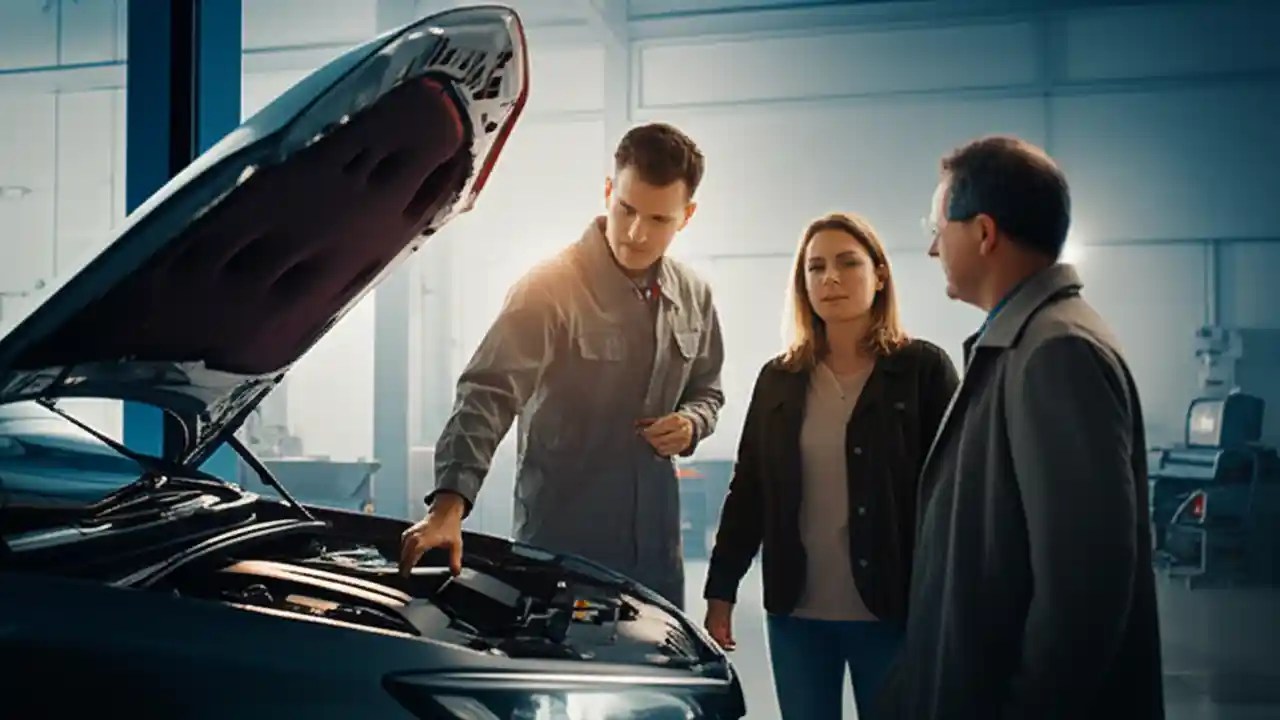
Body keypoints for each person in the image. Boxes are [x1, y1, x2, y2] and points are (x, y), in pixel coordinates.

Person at [880, 135, 1165, 719]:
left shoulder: (1056, 352)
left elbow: (1082, 593)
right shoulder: (1024, 342)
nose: (933, 249)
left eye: (938, 227)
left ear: (983, 233)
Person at [397, 122, 725, 609]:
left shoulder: (693, 295)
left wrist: (691, 422)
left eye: (658, 220)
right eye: (626, 209)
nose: (636, 233)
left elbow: (709, 392)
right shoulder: (549, 287)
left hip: (657, 554)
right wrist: (449, 504)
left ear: (687, 215)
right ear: (609, 190)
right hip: (562, 549)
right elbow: (488, 393)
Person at [702, 212, 960, 720]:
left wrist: (951, 602)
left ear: (879, 275)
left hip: (892, 609)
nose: (830, 278)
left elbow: (953, 495)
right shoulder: (779, 379)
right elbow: (748, 490)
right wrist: (721, 590)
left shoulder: (923, 371)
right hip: (796, 614)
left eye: (847, 263)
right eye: (815, 268)